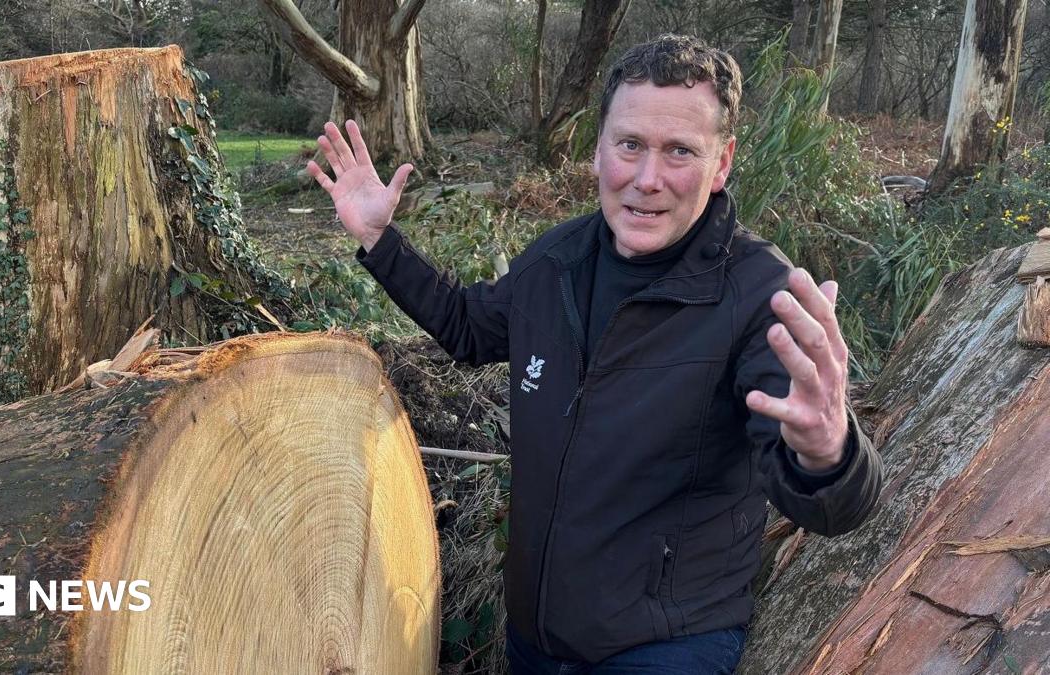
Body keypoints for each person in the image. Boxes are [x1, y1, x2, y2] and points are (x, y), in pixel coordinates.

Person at [306, 33, 882, 675]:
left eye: (680, 152)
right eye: (629, 145)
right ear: (598, 149)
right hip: (538, 639)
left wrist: (828, 452)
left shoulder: (759, 296)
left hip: (663, 647)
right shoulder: (559, 260)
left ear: (722, 164)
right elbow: (470, 328)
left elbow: (832, 507)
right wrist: (381, 241)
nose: (646, 179)